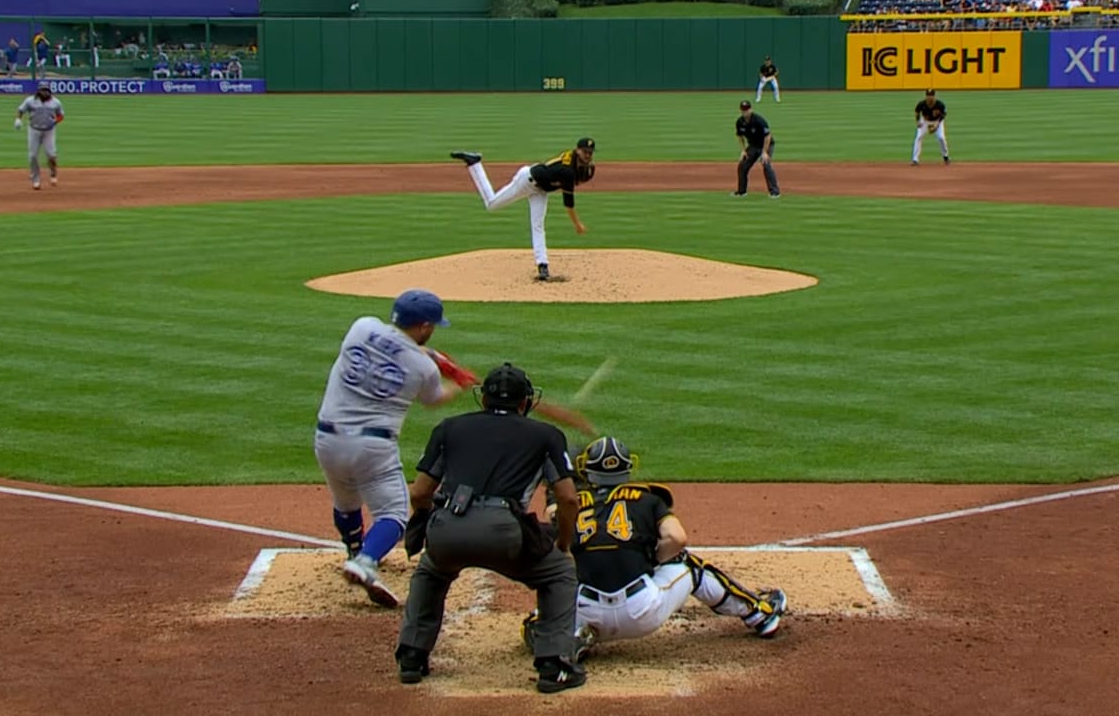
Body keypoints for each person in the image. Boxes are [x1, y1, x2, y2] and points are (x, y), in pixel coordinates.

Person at [396, 362, 586, 694]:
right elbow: (568, 499)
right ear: (525, 402)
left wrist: (428, 524)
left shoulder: (449, 428)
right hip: (503, 531)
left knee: (432, 571)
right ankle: (554, 664)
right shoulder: (546, 435)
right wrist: (563, 545)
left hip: (448, 526)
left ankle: (412, 656)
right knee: (557, 573)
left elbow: (420, 492)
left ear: (483, 399)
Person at [523, 436, 788, 658]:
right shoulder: (647, 497)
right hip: (641, 611)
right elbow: (677, 538)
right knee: (689, 566)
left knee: (550, 602)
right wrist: (653, 560)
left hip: (586, 610)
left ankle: (568, 634)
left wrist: (556, 485)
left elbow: (555, 515)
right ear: (628, 468)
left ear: (587, 470)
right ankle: (760, 616)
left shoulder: (572, 504)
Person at [315, 289, 467, 608]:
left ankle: (355, 549)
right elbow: (432, 399)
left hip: (328, 439)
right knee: (394, 515)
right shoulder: (422, 369)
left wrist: (443, 362)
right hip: (372, 446)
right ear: (424, 326)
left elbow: (398, 346)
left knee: (346, 502)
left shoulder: (362, 326)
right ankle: (366, 561)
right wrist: (458, 385)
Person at [449, 138, 596, 282]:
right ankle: (475, 164)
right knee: (491, 204)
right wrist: (577, 224)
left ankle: (542, 266)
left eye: (590, 152)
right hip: (527, 181)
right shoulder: (567, 171)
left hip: (541, 190)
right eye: (585, 152)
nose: (588, 155)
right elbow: (568, 204)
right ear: (577, 151)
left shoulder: (572, 163)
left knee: (537, 226)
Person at [15, 83, 64, 190]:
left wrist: (55, 122)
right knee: (33, 156)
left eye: (46, 90)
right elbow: (20, 110)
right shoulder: (30, 101)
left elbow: (61, 115)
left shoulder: (55, 102)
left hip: (49, 131)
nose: (45, 92)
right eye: (43, 90)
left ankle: (53, 173)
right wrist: (18, 119)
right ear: (38, 91)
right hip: (34, 130)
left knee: (51, 154)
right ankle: (35, 180)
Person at [732, 100, 780, 198]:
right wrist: (743, 150)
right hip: (753, 146)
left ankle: (775, 192)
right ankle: (741, 192)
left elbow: (768, 136)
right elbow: (739, 136)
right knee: (742, 166)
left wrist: (764, 152)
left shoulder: (759, 120)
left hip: (766, 145)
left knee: (766, 164)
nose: (745, 112)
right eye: (743, 110)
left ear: (751, 109)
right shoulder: (740, 122)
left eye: (746, 110)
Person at [912, 88, 949, 166]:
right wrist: (918, 121)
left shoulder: (940, 104)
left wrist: (937, 124)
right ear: (926, 96)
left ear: (934, 96)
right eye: (928, 95)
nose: (930, 97)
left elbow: (944, 114)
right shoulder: (921, 104)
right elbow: (917, 112)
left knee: (941, 138)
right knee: (918, 137)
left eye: (931, 95)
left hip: (937, 121)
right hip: (925, 121)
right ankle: (915, 159)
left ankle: (945, 156)